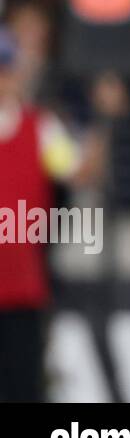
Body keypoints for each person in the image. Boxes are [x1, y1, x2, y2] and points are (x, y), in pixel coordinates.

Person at [0, 26, 83, 401]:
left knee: (24, 387)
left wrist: (106, 120)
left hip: (22, 291)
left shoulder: (41, 128)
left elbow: (78, 170)